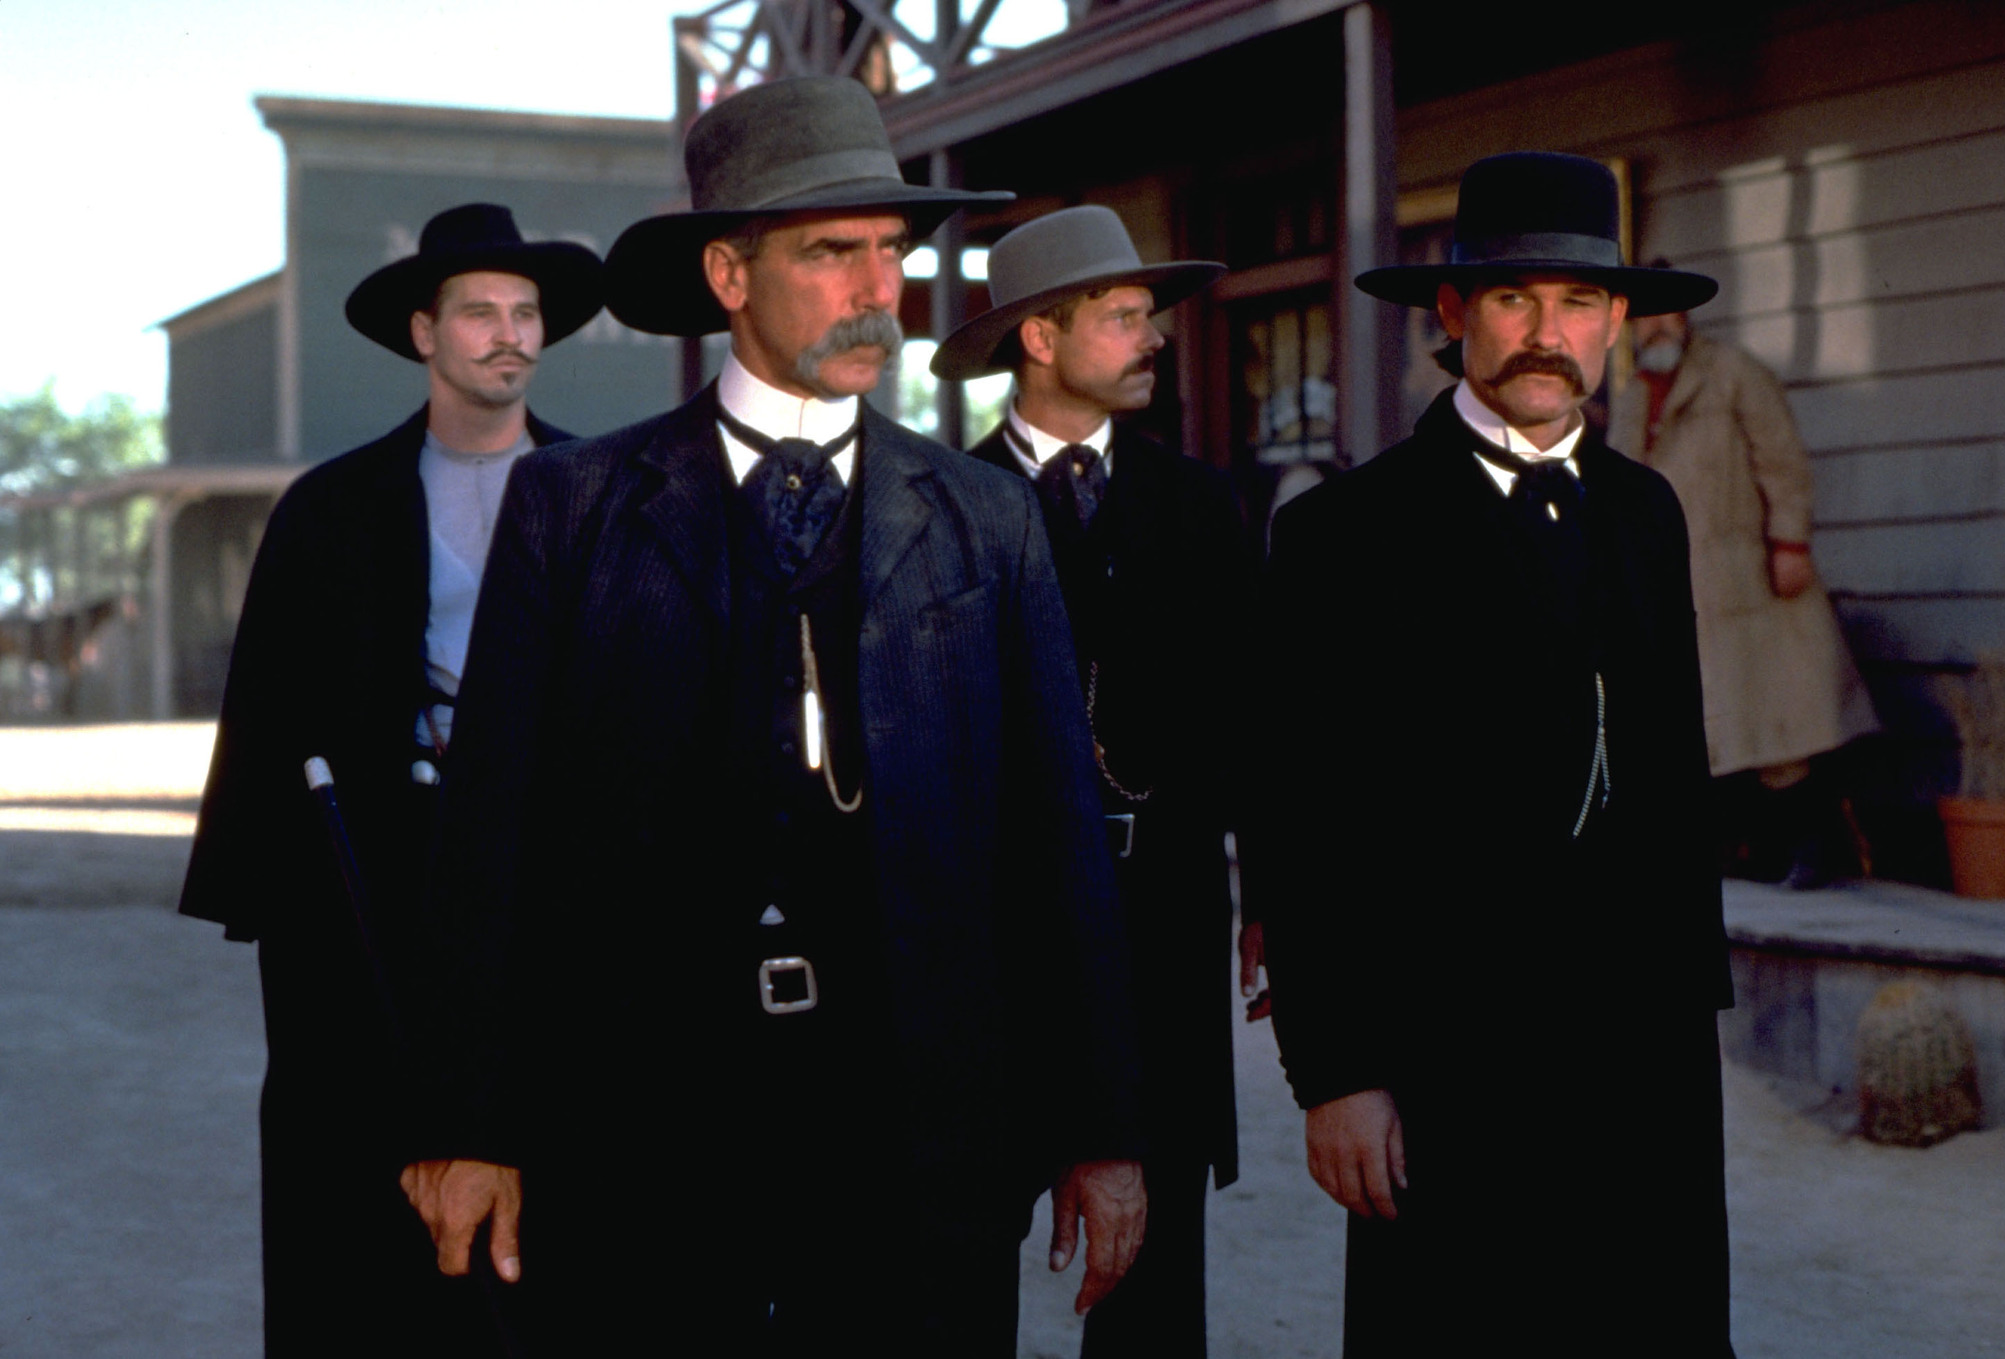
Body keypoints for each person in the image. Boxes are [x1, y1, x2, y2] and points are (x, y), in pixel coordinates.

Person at [399, 77, 1146, 1356]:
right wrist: (468, 1124)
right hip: (644, 1125)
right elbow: (491, 834)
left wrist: (1101, 1130)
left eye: (891, 254)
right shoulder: (573, 506)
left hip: (918, 1131)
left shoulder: (982, 517)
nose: (876, 291)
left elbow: (1056, 840)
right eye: (829, 253)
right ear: (729, 276)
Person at [1260, 153, 1737, 1356]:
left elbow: (1670, 778)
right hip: (1446, 1052)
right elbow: (1302, 819)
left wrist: (1688, 1021)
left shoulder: (1643, 511)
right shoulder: (1342, 533)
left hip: (1641, 1054)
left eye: (1576, 304)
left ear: (1617, 320)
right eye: (1514, 300)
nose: (1546, 333)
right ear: (1453, 312)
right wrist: (1336, 1071)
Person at [179, 202, 605, 1355]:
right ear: (425, 333)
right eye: (479, 313)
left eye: (525, 314)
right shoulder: (334, 508)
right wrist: (282, 915)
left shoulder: (600, 496)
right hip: (373, 885)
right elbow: (269, 721)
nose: (507, 335)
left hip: (546, 886)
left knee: (552, 1218)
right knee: (360, 1220)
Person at [932, 204, 1248, 1358]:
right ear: (1039, 339)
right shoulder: (932, 509)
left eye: (1147, 317)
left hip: (1157, 927)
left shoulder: (1199, 505)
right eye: (1121, 319)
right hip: (984, 936)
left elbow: (1247, 723)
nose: (1151, 338)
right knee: (957, 1260)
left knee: (1153, 1278)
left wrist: (1268, 901)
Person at [1609, 283, 1879, 887]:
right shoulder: (1632, 399)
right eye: (1642, 320)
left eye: (1665, 316)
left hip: (1749, 574)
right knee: (1711, 731)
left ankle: (1813, 853)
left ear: (1684, 319)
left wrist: (1790, 542)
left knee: (1781, 724)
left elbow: (1781, 458)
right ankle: (1747, 856)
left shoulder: (1732, 374)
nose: (1654, 330)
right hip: (1682, 586)